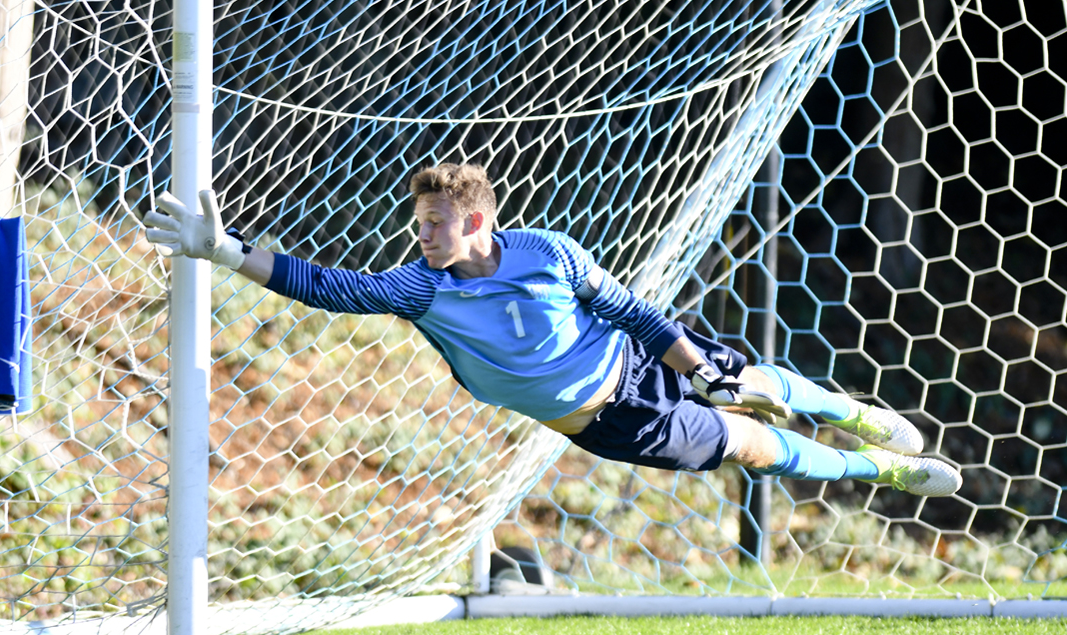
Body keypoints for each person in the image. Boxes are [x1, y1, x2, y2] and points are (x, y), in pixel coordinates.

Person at [142, 164, 962, 497]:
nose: (421, 235)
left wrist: (696, 364)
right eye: (418, 223)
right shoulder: (417, 288)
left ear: (474, 219)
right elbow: (328, 285)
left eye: (434, 223)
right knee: (747, 442)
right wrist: (225, 249)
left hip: (642, 359)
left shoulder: (547, 252)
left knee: (748, 384)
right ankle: (878, 469)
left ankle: (853, 412)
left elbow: (635, 313)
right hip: (610, 417)